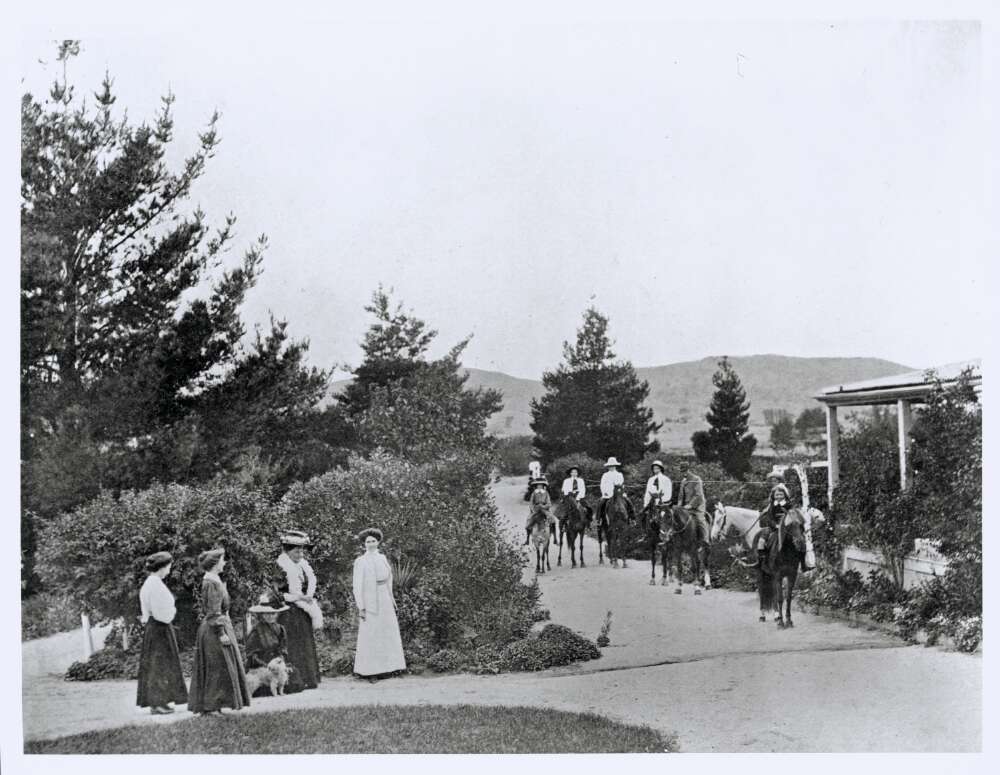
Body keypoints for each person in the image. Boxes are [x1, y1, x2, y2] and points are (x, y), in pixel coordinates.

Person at [188, 549, 250, 715]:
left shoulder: (215, 580)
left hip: (217, 625)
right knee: (216, 668)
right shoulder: (212, 583)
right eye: (222, 560)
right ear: (215, 564)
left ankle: (217, 704)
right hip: (214, 629)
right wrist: (221, 633)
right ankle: (210, 706)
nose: (224, 563)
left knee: (221, 667)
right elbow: (214, 611)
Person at [136, 551, 188, 715]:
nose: (169, 570)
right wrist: (172, 612)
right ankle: (156, 702)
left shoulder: (152, 583)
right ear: (162, 567)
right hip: (159, 627)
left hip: (157, 627)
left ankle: (161, 701)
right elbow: (160, 612)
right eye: (169, 566)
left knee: (161, 664)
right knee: (158, 665)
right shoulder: (154, 585)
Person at [352, 528, 406, 682]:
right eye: (368, 541)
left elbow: (388, 579)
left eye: (373, 541)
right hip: (370, 601)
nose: (370, 544)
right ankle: (370, 671)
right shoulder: (360, 561)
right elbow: (357, 585)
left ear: (378, 542)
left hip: (385, 598)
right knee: (372, 635)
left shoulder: (382, 558)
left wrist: (391, 599)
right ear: (364, 544)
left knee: (387, 633)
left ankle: (389, 668)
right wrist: (361, 607)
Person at [275, 530, 321, 692]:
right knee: (293, 645)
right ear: (287, 551)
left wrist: (307, 597)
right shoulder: (281, 567)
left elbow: (309, 584)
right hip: (288, 612)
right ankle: (295, 680)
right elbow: (278, 594)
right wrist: (298, 598)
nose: (300, 554)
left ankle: (310, 678)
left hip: (303, 610)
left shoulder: (302, 566)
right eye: (296, 551)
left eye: (302, 550)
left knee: (305, 643)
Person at [245, 592, 290, 696]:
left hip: (276, 666)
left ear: (277, 614)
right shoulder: (256, 630)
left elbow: (283, 648)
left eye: (273, 613)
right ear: (262, 615)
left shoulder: (280, 629)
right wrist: (267, 666)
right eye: (266, 613)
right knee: (258, 683)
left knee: (294, 681)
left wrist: (280, 661)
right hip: (261, 666)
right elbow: (252, 655)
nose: (270, 616)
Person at [754, 483, 792, 563]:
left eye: (781, 495)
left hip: (786, 527)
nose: (779, 497)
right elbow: (770, 518)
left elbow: (791, 516)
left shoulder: (788, 505)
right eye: (777, 495)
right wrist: (775, 525)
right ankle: (762, 557)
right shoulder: (772, 505)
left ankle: (803, 561)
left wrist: (784, 525)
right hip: (773, 527)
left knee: (798, 539)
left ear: (785, 495)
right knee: (761, 540)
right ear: (773, 496)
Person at [676, 470, 711, 546]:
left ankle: (705, 540)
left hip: (698, 505)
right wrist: (679, 507)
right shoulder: (683, 481)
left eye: (684, 471)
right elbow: (680, 496)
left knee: (700, 519)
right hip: (686, 506)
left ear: (688, 470)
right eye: (681, 471)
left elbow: (699, 495)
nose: (683, 473)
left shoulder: (696, 479)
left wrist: (691, 505)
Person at [598, 457, 635, 524]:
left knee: (629, 502)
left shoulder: (619, 475)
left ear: (615, 466)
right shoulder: (605, 475)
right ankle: (599, 519)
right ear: (608, 466)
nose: (611, 467)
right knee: (601, 503)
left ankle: (632, 518)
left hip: (618, 494)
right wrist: (605, 492)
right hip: (608, 494)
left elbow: (621, 484)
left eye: (613, 466)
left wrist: (620, 490)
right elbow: (602, 485)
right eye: (610, 466)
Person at [524, 478, 554, 546]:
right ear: (536, 486)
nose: (539, 486)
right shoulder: (534, 493)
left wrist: (544, 506)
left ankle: (553, 536)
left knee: (552, 519)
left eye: (541, 485)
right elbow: (531, 502)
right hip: (536, 508)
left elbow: (549, 503)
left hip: (544, 509)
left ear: (543, 486)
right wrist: (532, 509)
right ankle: (527, 538)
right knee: (529, 519)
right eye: (538, 485)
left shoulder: (546, 493)